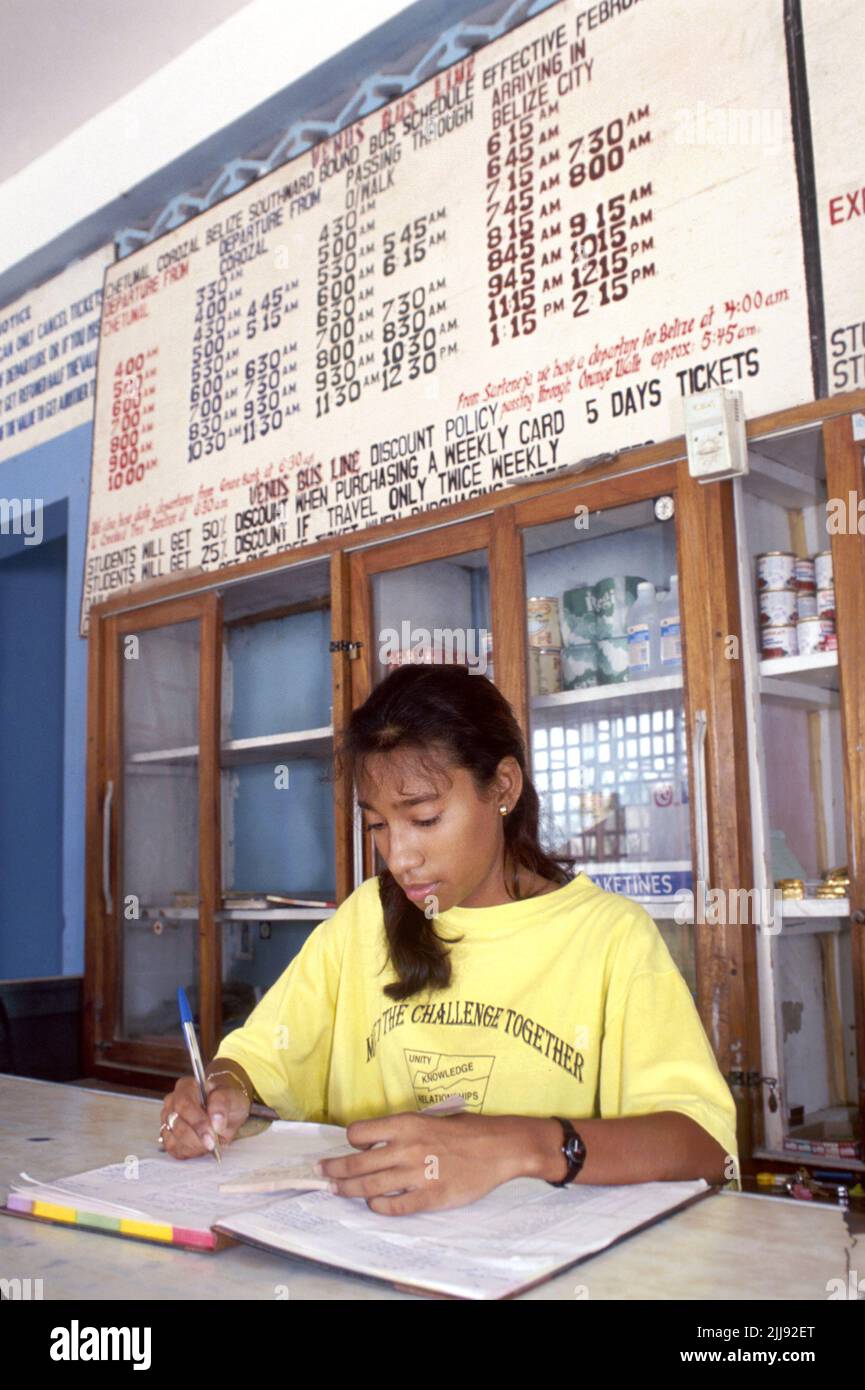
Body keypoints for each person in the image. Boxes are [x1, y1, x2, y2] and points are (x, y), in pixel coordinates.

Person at [159, 662, 739, 1213]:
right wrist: (221, 1090)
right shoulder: (367, 918)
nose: (400, 856)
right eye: (379, 825)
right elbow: (257, 1060)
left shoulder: (610, 936)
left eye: (426, 818)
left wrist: (519, 1146)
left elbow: (705, 1148)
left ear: (503, 787)